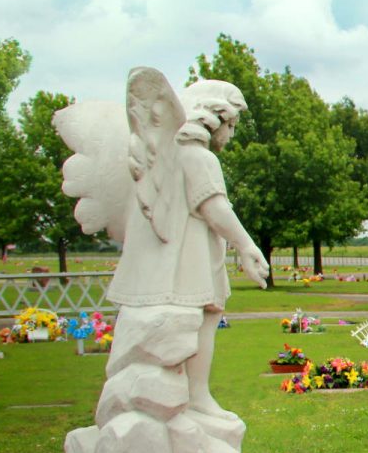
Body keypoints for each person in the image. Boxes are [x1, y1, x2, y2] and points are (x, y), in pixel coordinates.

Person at [106, 75, 269, 417]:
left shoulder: (166, 154)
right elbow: (214, 207)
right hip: (187, 262)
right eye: (232, 125)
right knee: (206, 319)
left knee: (203, 320)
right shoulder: (199, 157)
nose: (232, 135)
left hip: (168, 260)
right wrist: (247, 246)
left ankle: (191, 396)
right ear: (215, 118)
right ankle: (196, 394)